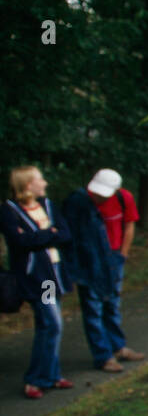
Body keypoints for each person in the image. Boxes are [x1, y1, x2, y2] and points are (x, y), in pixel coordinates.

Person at [62, 169, 145, 372]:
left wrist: (122, 255)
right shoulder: (79, 202)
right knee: (93, 309)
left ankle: (118, 347)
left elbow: (129, 226)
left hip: (113, 259)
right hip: (89, 262)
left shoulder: (124, 198)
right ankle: (103, 356)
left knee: (112, 305)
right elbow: (69, 235)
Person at [3, 166, 73, 399]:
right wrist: (48, 234)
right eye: (40, 179)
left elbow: (64, 234)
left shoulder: (48, 205)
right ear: (27, 185)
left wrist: (42, 236)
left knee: (49, 326)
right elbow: (19, 241)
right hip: (39, 279)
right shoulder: (10, 211)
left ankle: (51, 375)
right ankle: (36, 378)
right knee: (52, 324)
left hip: (55, 274)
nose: (45, 182)